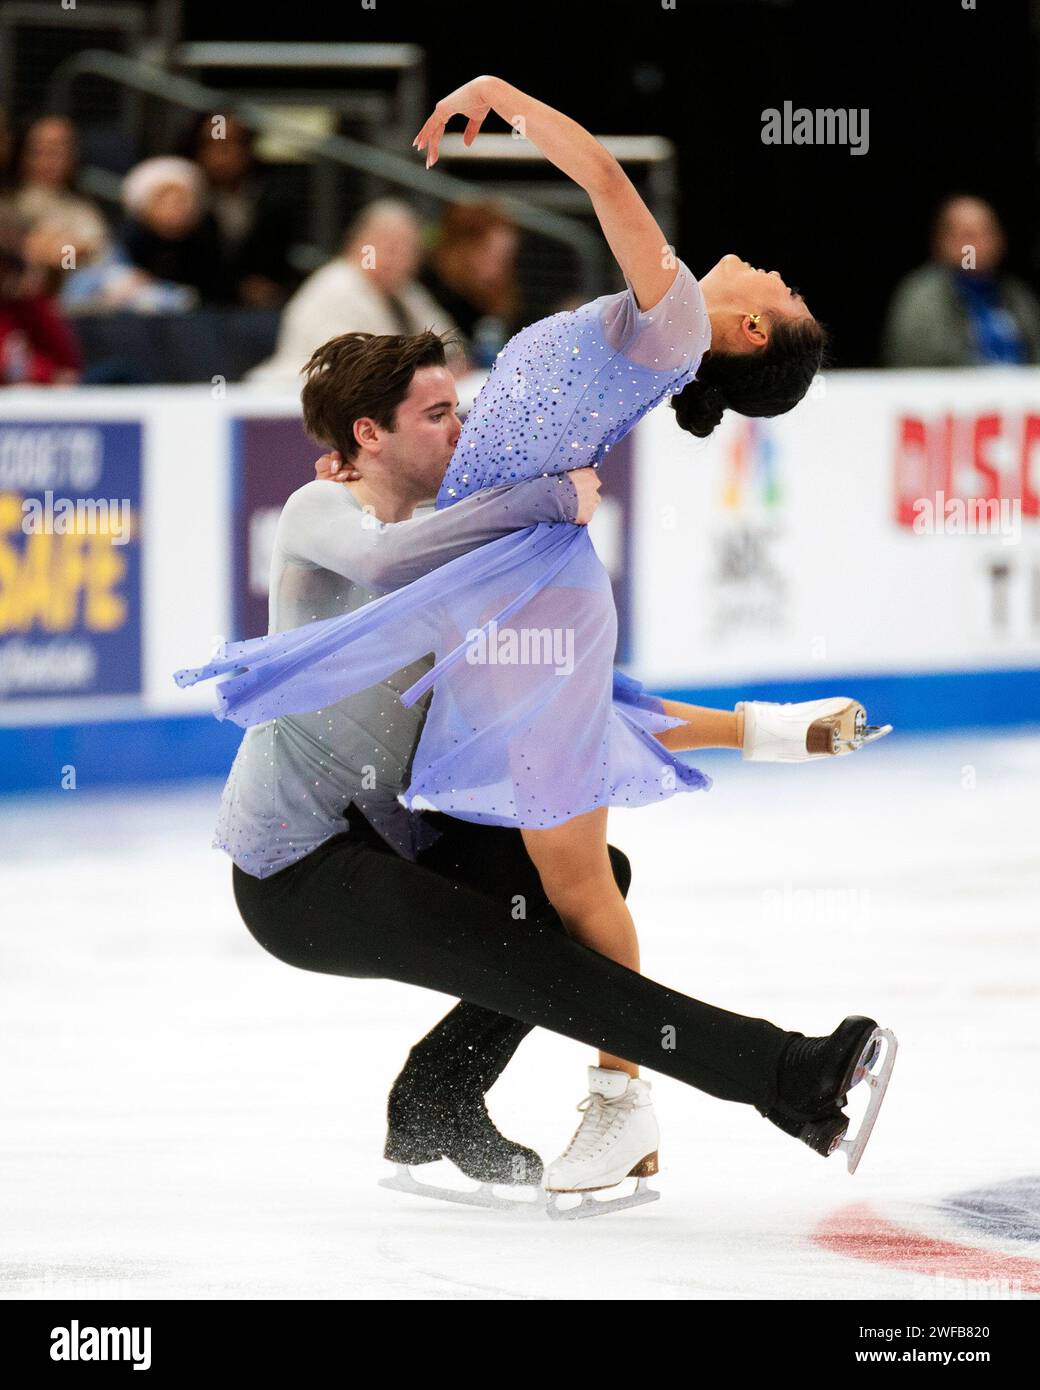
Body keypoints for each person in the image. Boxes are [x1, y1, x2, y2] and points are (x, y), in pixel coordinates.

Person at [178, 76, 893, 1201]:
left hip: (395, 828)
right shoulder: (334, 514)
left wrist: (763, 728)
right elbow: (389, 561)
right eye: (435, 415)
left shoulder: (475, 552)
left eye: (455, 408)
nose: (457, 421)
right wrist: (543, 501)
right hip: (302, 871)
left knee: (588, 872)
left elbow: (581, 712)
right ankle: (785, 1076)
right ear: (364, 436)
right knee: (548, 957)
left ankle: (432, 1101)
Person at [246, 199, 465, 384]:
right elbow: (349, 368)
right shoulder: (335, 287)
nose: (400, 259)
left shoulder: (406, 292)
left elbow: (451, 345)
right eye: (390, 247)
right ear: (358, 243)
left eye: (408, 250)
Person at [881, 194, 1040, 367]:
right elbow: (916, 362)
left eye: (987, 232)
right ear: (943, 241)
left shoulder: (1017, 296)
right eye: (969, 235)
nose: (978, 244)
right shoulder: (921, 298)